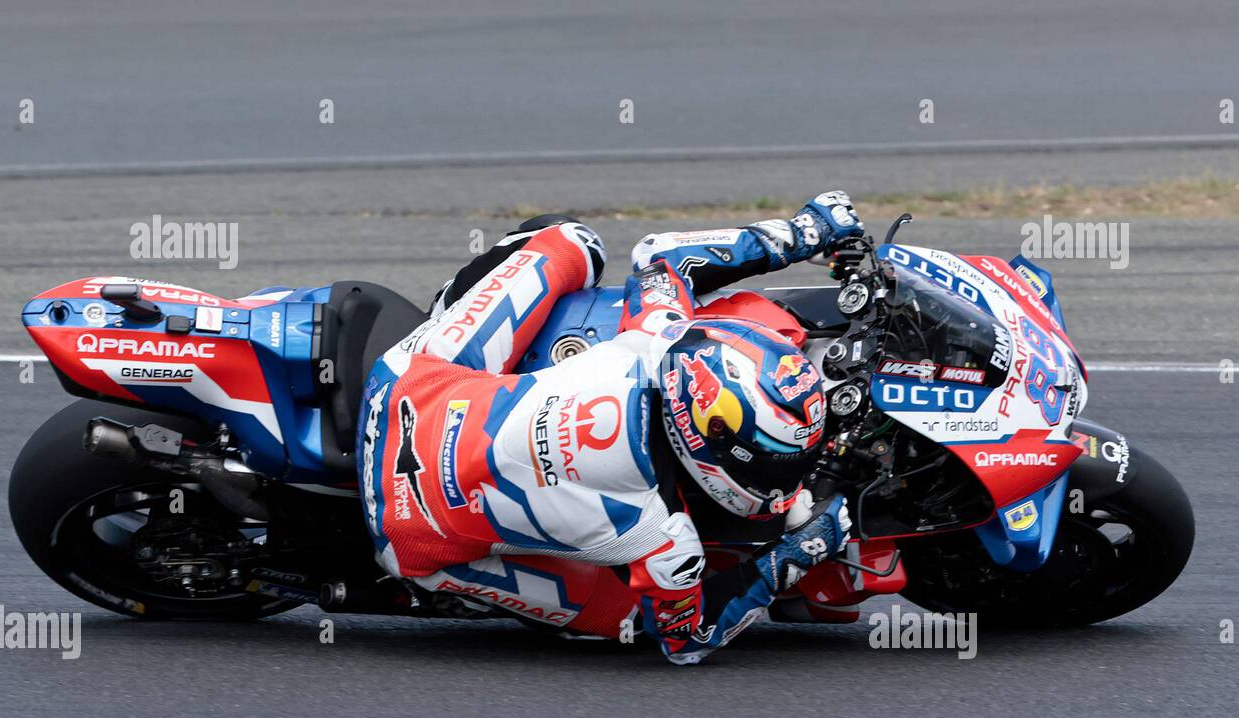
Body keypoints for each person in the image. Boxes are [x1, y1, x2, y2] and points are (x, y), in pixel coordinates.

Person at [359, 191, 862, 664]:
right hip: (409, 535)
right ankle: (450, 589)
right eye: (777, 456)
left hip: (403, 386)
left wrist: (801, 232)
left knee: (572, 241)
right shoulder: (662, 537)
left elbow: (659, 256)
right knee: (631, 622)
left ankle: (454, 318)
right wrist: (797, 554)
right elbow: (686, 641)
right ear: (711, 450)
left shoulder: (653, 337)